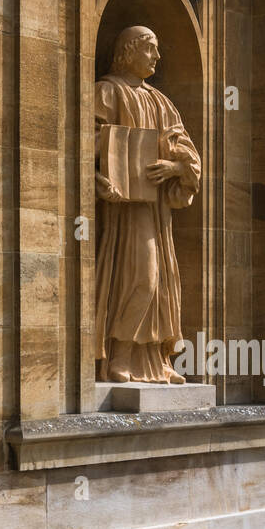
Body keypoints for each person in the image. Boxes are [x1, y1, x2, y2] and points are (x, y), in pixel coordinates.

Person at [94, 25, 201, 384]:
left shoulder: (161, 101)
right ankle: (119, 356)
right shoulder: (107, 92)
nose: (157, 57)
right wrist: (100, 181)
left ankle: (155, 362)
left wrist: (173, 167)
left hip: (155, 210)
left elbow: (187, 152)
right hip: (124, 209)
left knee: (163, 281)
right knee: (143, 275)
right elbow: (86, 145)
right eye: (150, 49)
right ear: (128, 51)